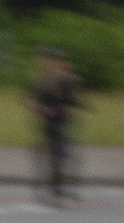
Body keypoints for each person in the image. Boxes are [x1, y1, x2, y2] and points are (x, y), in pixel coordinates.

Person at [29, 50, 86, 207]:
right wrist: (43, 109)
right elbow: (34, 103)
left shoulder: (67, 82)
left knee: (62, 155)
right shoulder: (42, 82)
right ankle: (50, 187)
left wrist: (74, 108)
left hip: (62, 123)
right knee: (53, 156)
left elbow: (71, 101)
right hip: (49, 123)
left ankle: (58, 187)